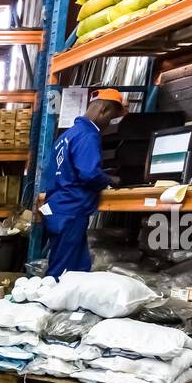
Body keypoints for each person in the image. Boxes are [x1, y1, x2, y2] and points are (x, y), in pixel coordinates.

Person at [38, 87, 126, 278]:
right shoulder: (88, 134)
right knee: (63, 271)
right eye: (111, 119)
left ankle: (62, 303)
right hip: (71, 210)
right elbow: (89, 174)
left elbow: (53, 173)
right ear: (103, 110)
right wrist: (110, 179)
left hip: (59, 207)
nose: (109, 125)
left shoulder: (67, 136)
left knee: (76, 267)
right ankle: (50, 302)